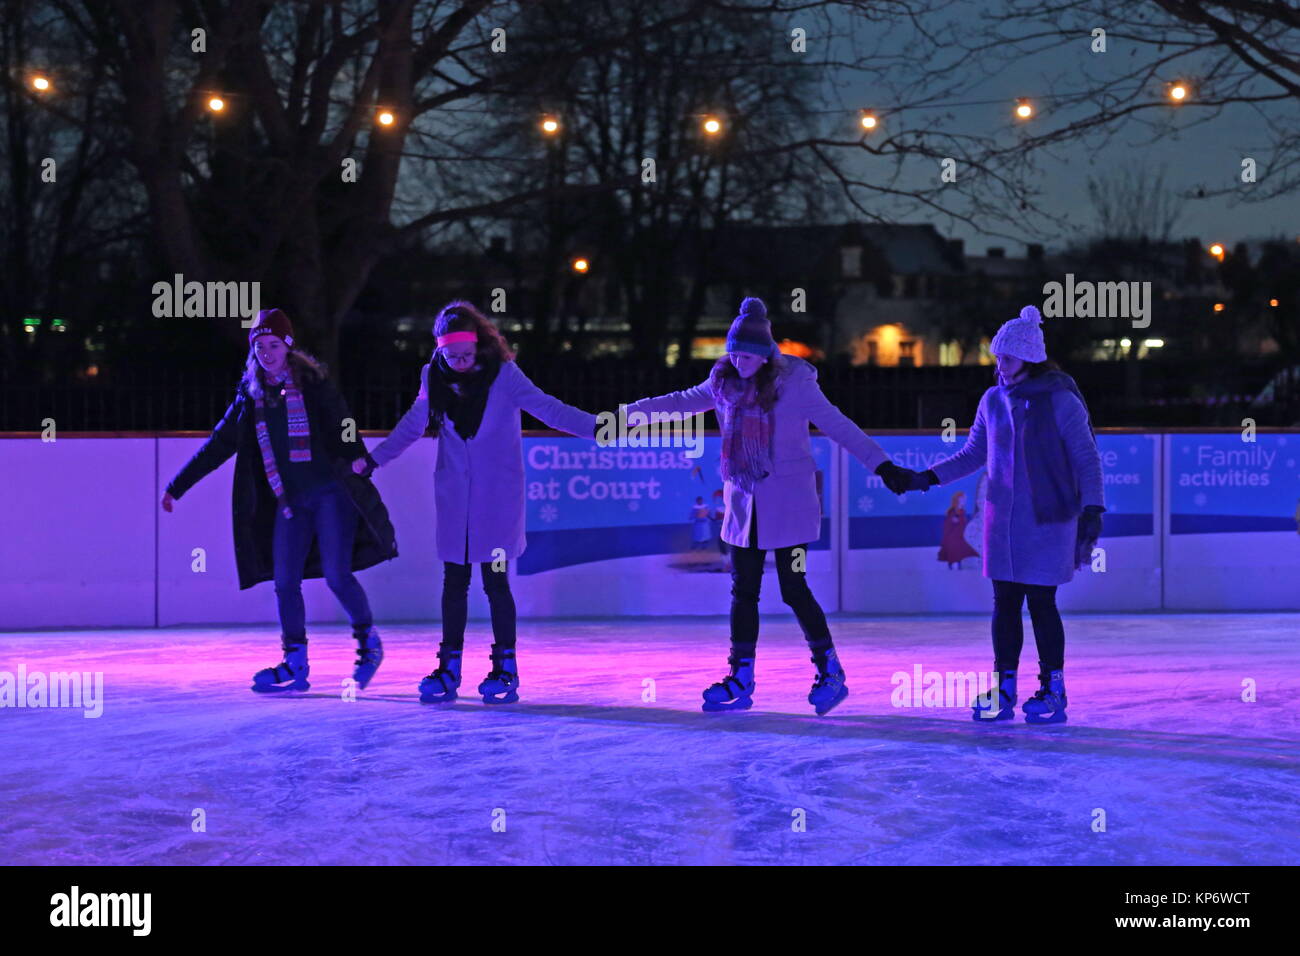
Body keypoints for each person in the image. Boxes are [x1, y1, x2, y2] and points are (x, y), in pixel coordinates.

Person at [622, 296, 914, 715]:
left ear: (764, 355)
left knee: (794, 587)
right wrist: (624, 416)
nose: (739, 361)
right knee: (744, 591)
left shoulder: (795, 383)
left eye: (747, 355)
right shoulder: (722, 382)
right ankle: (740, 676)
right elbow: (680, 401)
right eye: (734, 352)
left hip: (790, 508)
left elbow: (838, 425)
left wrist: (882, 465)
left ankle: (830, 670)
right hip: (745, 508)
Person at [353, 300, 596, 704]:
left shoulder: (504, 375)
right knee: (454, 582)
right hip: (456, 500)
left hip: (497, 502)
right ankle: (448, 666)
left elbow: (548, 408)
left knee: (496, 582)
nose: (461, 362)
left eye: (466, 355)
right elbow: (414, 424)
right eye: (452, 356)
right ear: (440, 350)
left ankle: (505, 667)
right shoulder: (433, 377)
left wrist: (596, 427)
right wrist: (375, 459)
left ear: (479, 346)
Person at [162, 308, 397, 693]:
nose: (267, 353)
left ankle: (368, 646)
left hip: (330, 495)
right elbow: (219, 443)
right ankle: (295, 662)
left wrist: (357, 455)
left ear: (288, 346)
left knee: (338, 575)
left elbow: (343, 423)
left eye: (274, 345)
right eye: (259, 346)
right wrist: (178, 484)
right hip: (290, 502)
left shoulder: (314, 384)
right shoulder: (251, 397)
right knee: (285, 581)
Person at [894, 305, 1105, 724]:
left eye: (1006, 358)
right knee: (1005, 602)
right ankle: (1004, 686)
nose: (1000, 366)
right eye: (998, 358)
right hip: (1001, 522)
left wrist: (1093, 506)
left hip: (1048, 520)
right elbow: (973, 454)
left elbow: (1086, 457)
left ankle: (1052, 689)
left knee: (1042, 602)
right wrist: (928, 477)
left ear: (1029, 356)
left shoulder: (1061, 401)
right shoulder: (993, 400)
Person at [938, 490, 978, 569]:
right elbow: (950, 522)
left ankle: (958, 563)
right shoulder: (952, 511)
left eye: (964, 499)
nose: (964, 501)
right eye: (962, 499)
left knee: (960, 550)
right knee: (953, 550)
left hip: (960, 535)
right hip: (953, 536)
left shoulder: (962, 511)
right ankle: (952, 564)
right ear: (958, 500)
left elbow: (962, 522)